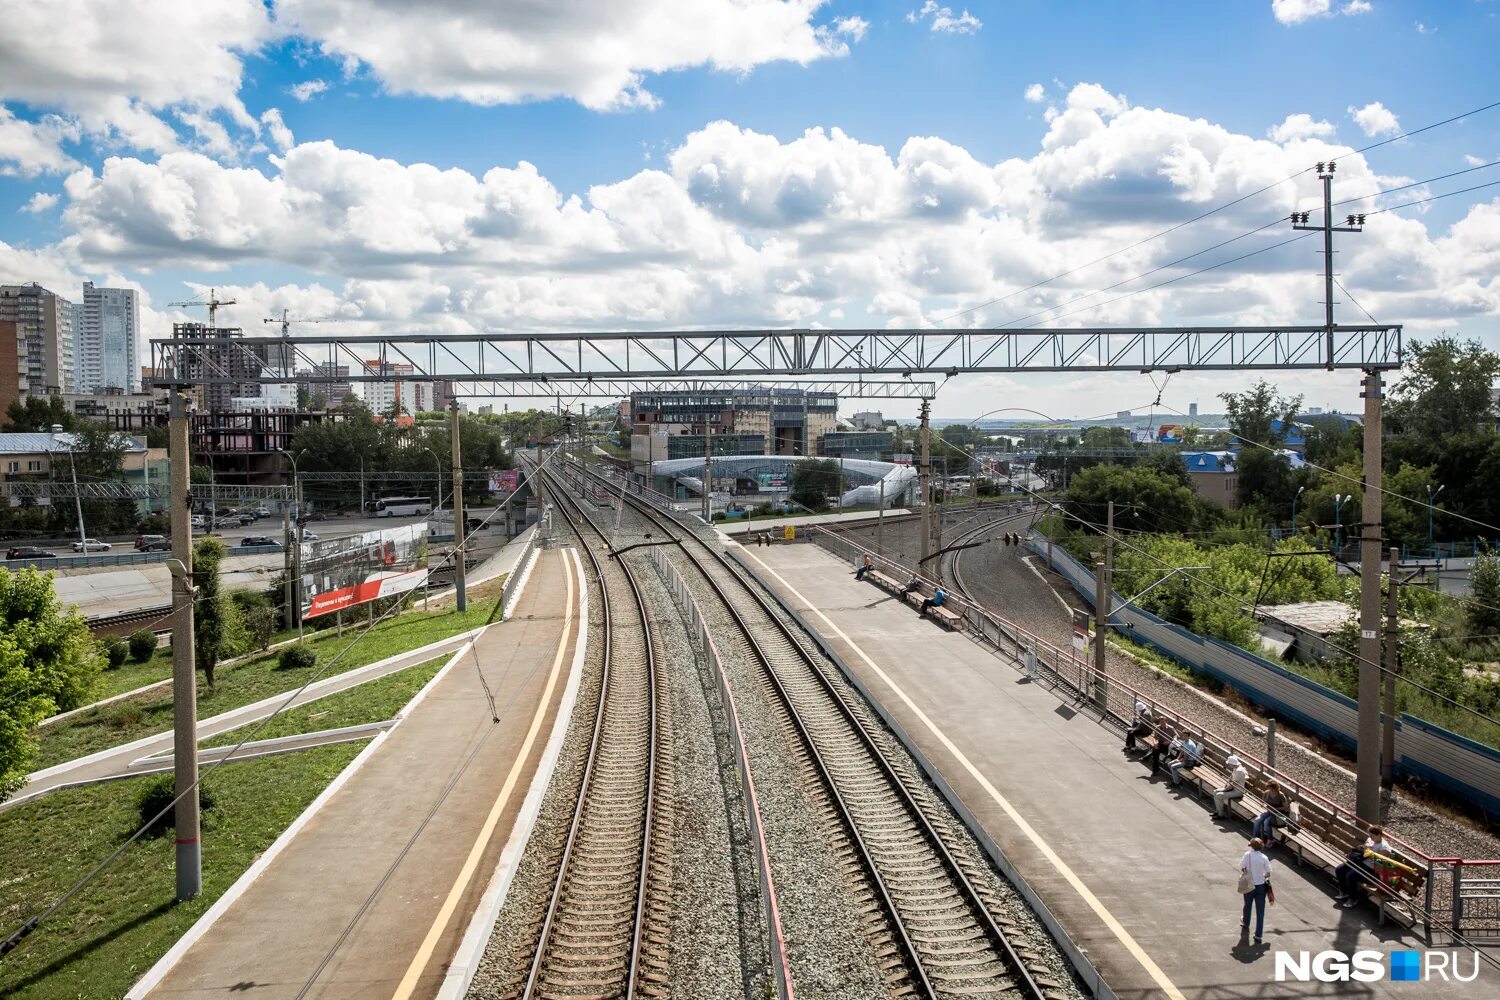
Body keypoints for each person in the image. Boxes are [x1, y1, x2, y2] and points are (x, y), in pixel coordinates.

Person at [1333, 826, 1392, 904]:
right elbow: (1363, 851)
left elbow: (1379, 865)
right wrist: (1363, 848)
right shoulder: (1370, 840)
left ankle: (1353, 898)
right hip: (1361, 862)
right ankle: (1344, 892)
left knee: (1350, 876)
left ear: (1379, 835)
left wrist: (1371, 853)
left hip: (1371, 869)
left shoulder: (1384, 848)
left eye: (1372, 836)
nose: (1370, 837)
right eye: (1369, 835)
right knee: (1339, 869)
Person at [1240, 837, 1273, 944]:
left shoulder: (1247, 855)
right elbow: (1268, 872)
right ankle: (1258, 935)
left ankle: (1246, 922)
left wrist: (1246, 872)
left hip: (1249, 884)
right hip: (1261, 886)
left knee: (1247, 904)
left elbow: (1242, 867)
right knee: (1260, 911)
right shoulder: (1264, 857)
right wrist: (1263, 875)